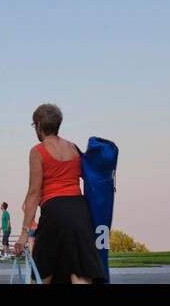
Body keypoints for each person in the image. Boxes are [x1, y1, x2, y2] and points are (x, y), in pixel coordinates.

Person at [12, 103, 106, 284]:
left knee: (42, 274)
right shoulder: (74, 148)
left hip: (54, 211)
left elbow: (33, 194)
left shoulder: (37, 151)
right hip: (79, 211)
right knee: (80, 272)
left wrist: (24, 234)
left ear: (38, 126)